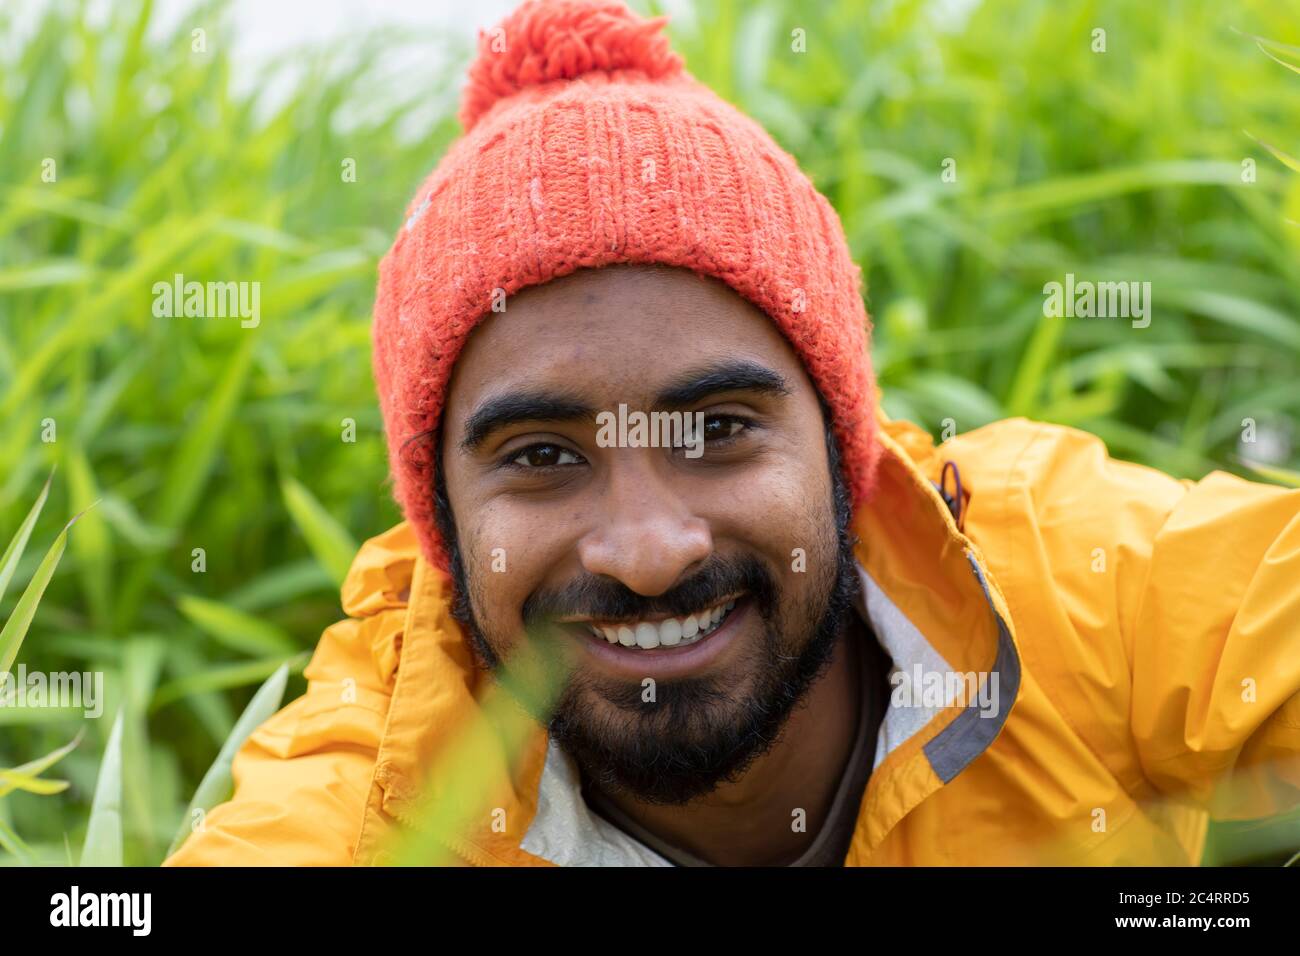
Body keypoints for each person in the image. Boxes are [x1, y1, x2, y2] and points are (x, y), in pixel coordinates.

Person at [166, 0, 1300, 867]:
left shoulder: (1074, 581)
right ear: (438, 523)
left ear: (850, 449)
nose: (649, 548)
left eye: (716, 427)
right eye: (543, 457)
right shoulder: (372, 798)